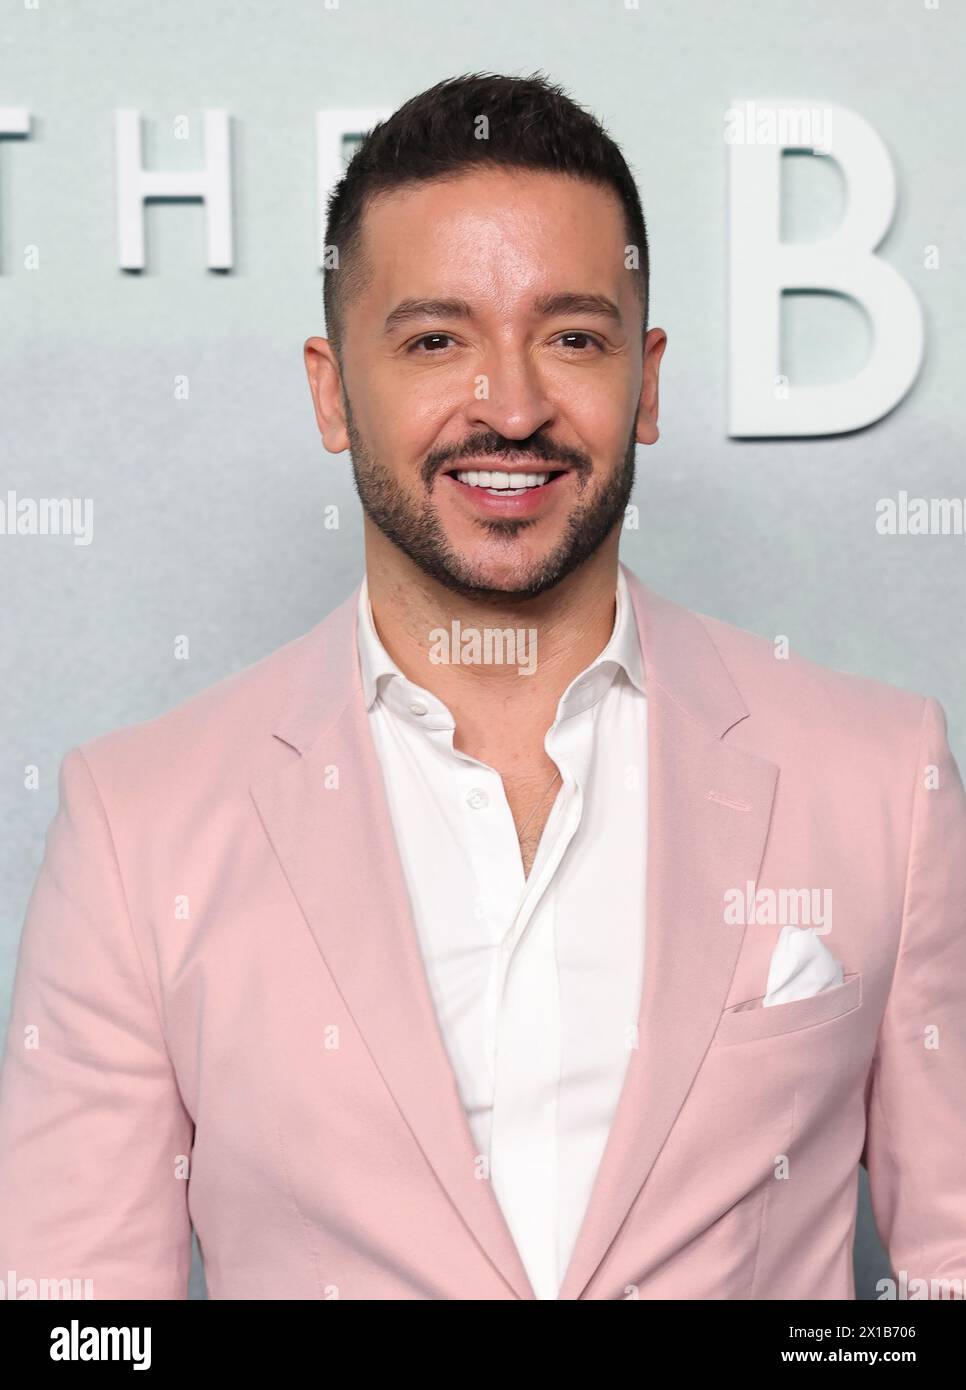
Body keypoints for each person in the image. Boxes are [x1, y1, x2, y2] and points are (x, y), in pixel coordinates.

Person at [0, 71, 963, 1301]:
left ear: (648, 380)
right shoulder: (137, 828)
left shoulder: (884, 780)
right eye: (435, 340)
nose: (510, 407)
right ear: (330, 389)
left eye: (571, 336)